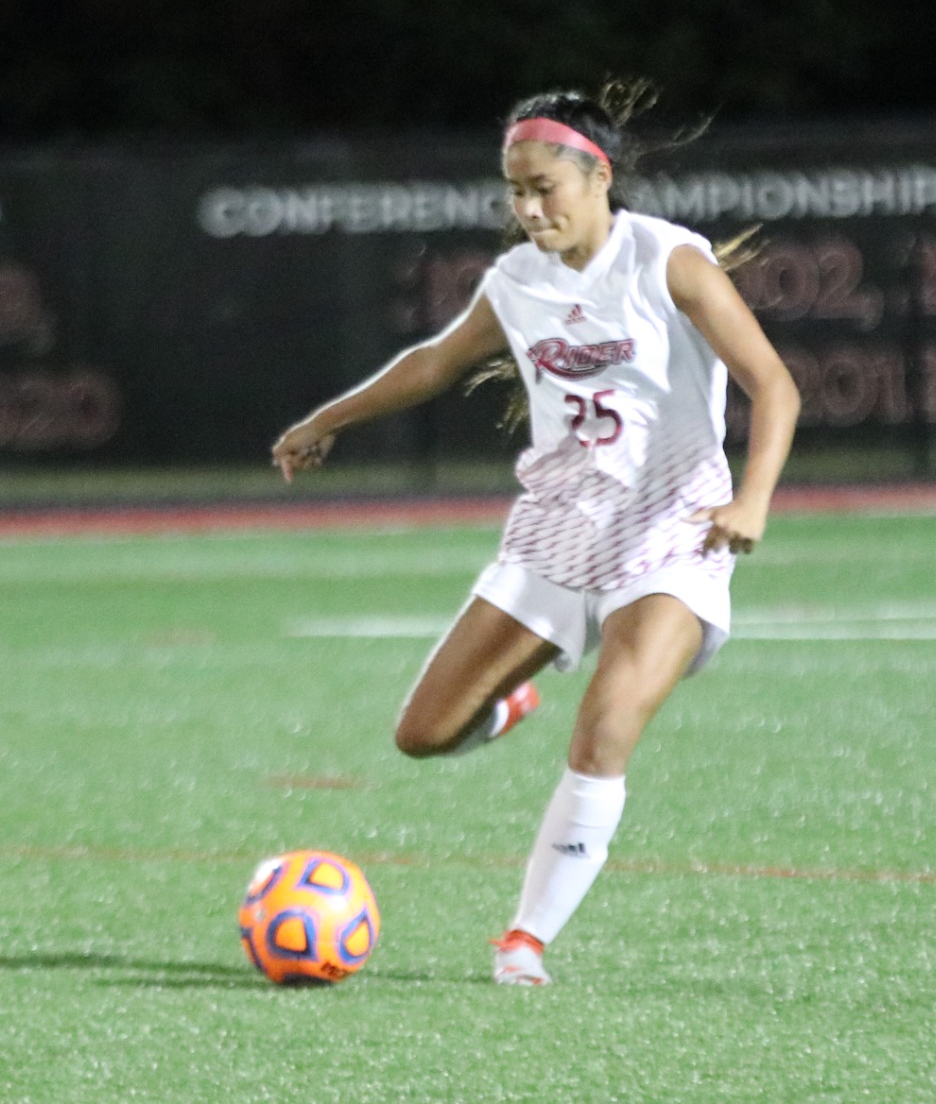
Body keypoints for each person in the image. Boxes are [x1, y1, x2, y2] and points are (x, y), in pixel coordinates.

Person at [270, 84, 800, 986]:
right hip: (559, 525)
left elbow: (775, 386)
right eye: (514, 190)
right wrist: (330, 418)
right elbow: (435, 361)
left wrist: (750, 501)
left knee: (608, 723)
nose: (527, 206)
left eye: (544, 185)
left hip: (673, 528)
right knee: (424, 734)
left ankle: (525, 940)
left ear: (597, 175)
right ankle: (511, 701)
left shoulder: (666, 261)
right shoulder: (517, 280)